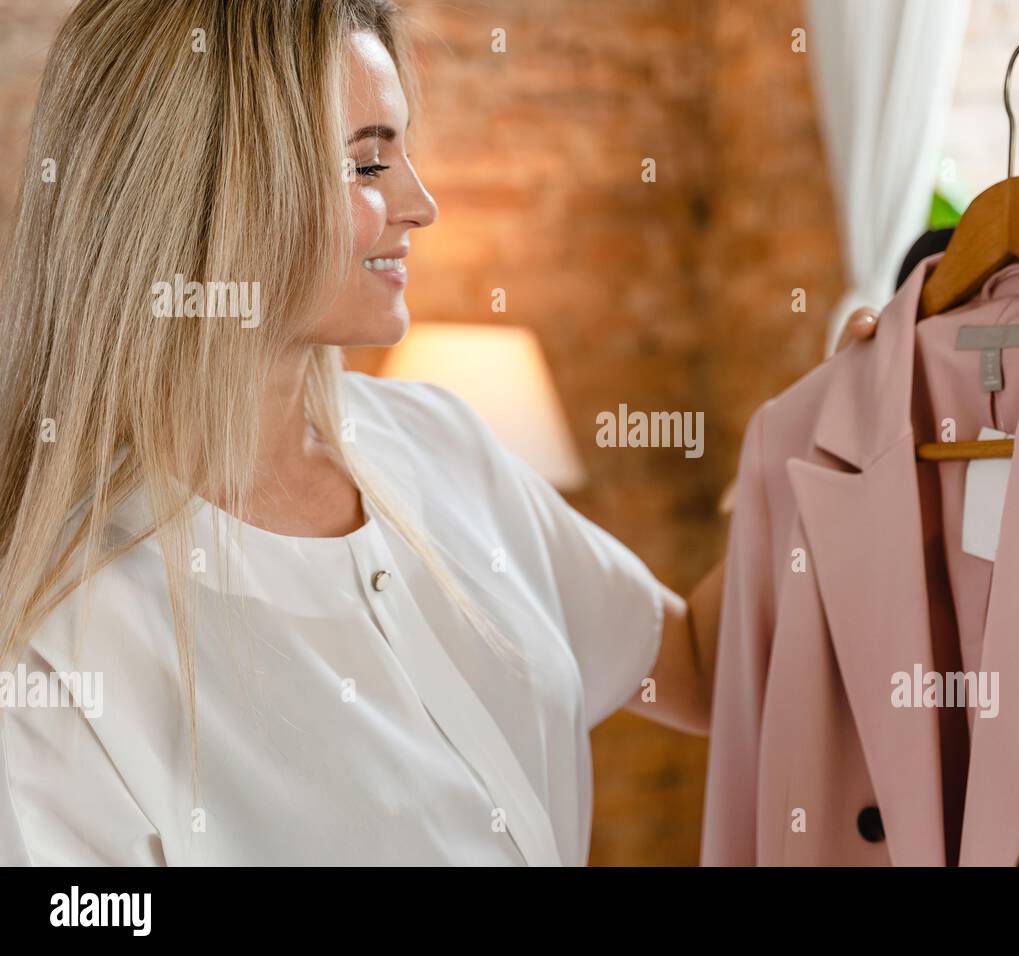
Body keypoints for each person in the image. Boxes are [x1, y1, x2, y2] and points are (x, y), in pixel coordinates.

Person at [0, 0, 719, 866]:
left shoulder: (442, 443)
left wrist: (857, 414)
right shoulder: (57, 645)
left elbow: (703, 666)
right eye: (368, 164)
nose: (422, 204)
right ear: (209, 191)